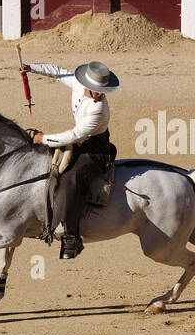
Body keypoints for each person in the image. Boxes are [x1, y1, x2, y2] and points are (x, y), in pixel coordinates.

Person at [18, 60, 120, 260]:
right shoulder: (77, 83)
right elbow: (57, 71)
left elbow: (73, 135)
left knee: (70, 178)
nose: (100, 94)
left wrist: (42, 139)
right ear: (87, 86)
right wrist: (31, 68)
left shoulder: (99, 111)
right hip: (81, 142)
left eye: (102, 90)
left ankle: (70, 237)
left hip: (95, 151)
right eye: (96, 90)